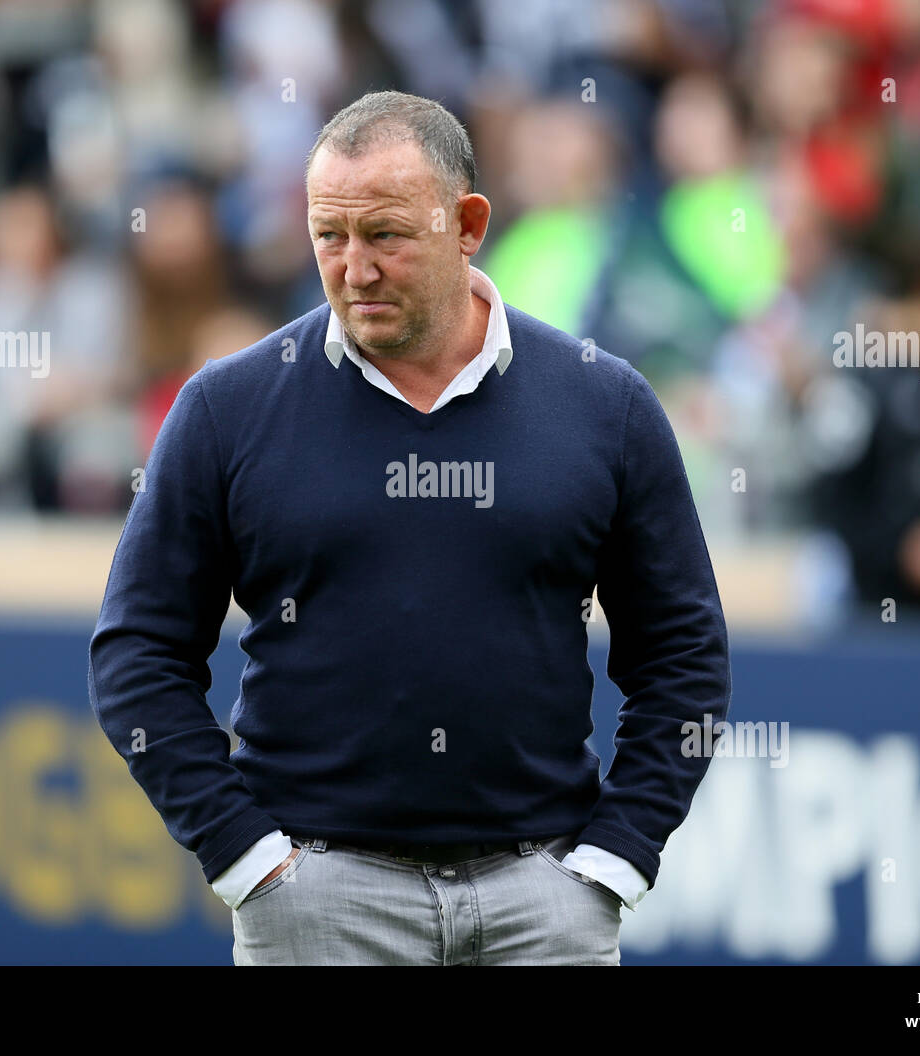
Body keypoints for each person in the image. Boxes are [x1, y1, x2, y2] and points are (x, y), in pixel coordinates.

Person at [89, 90, 732, 965]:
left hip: (543, 906)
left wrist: (618, 856)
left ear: (468, 224)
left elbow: (685, 652)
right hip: (315, 907)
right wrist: (245, 858)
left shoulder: (604, 404)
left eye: (384, 234)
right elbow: (136, 652)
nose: (354, 269)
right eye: (329, 235)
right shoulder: (227, 408)